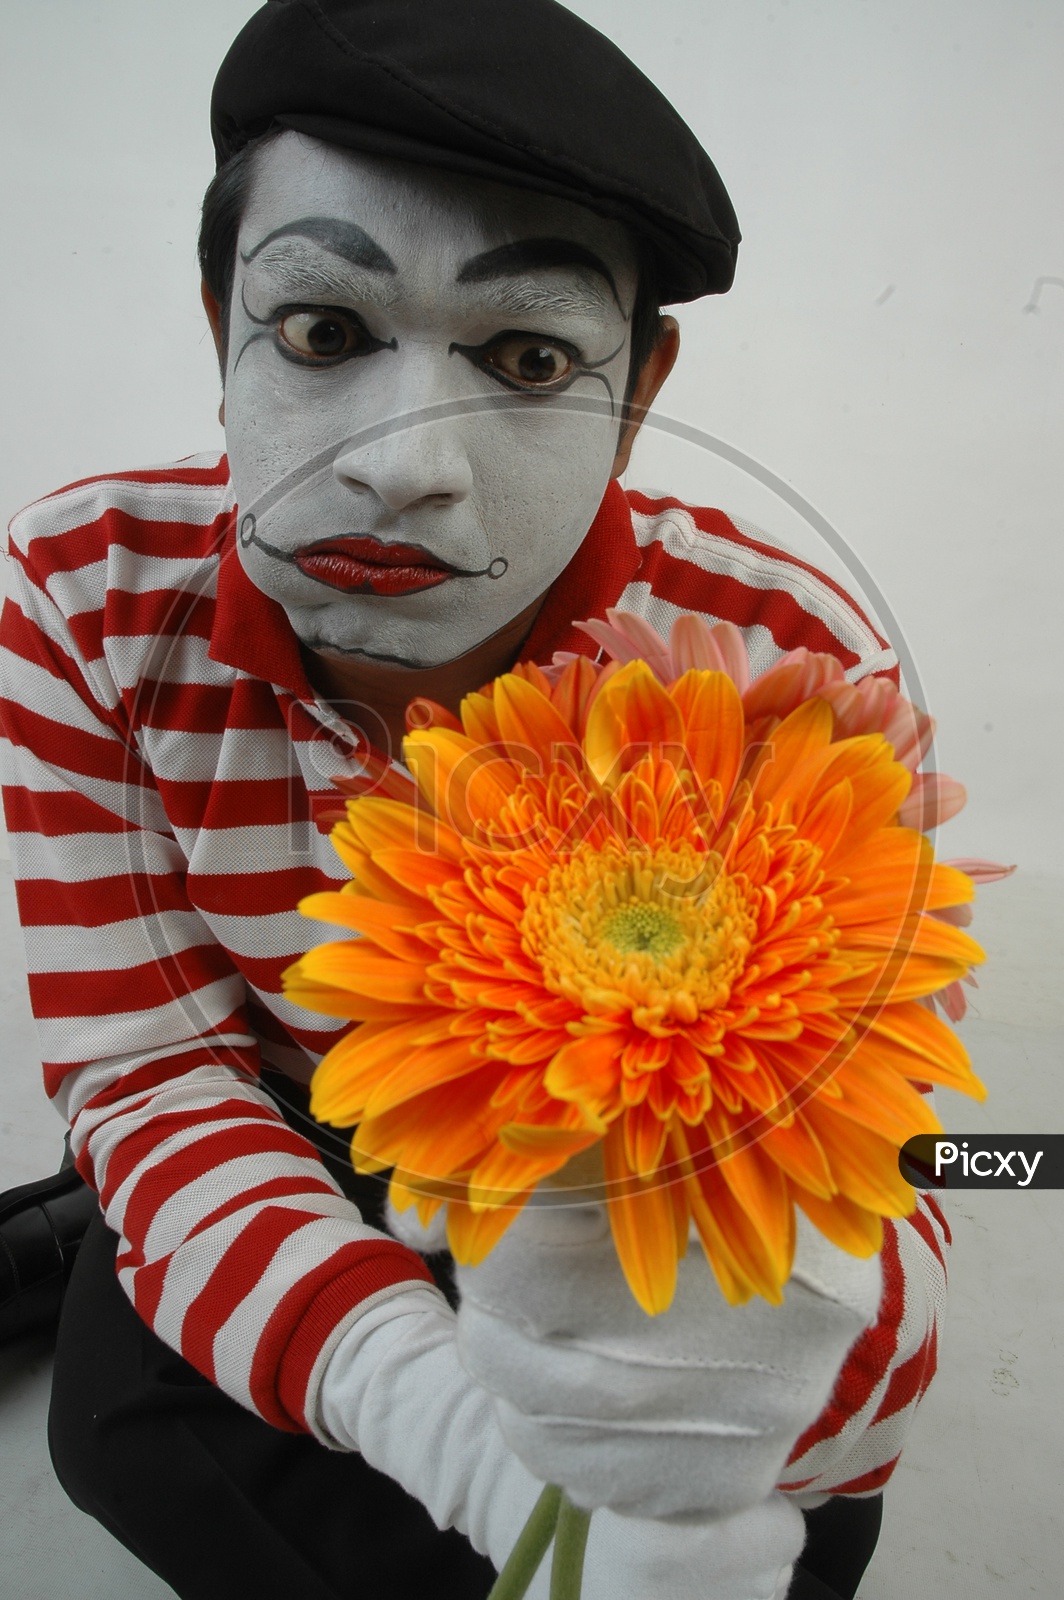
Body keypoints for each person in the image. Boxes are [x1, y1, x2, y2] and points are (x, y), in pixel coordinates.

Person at [0, 3, 951, 1597]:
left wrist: (744, 1409)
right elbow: (160, 1073)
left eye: (525, 357)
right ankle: (99, 1228)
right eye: (320, 331)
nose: (404, 467)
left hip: (635, 1151)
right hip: (294, 1091)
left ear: (638, 386)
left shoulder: (787, 669)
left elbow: (874, 1170)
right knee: (119, 1421)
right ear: (215, 315)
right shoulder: (76, 597)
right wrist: (454, 1435)